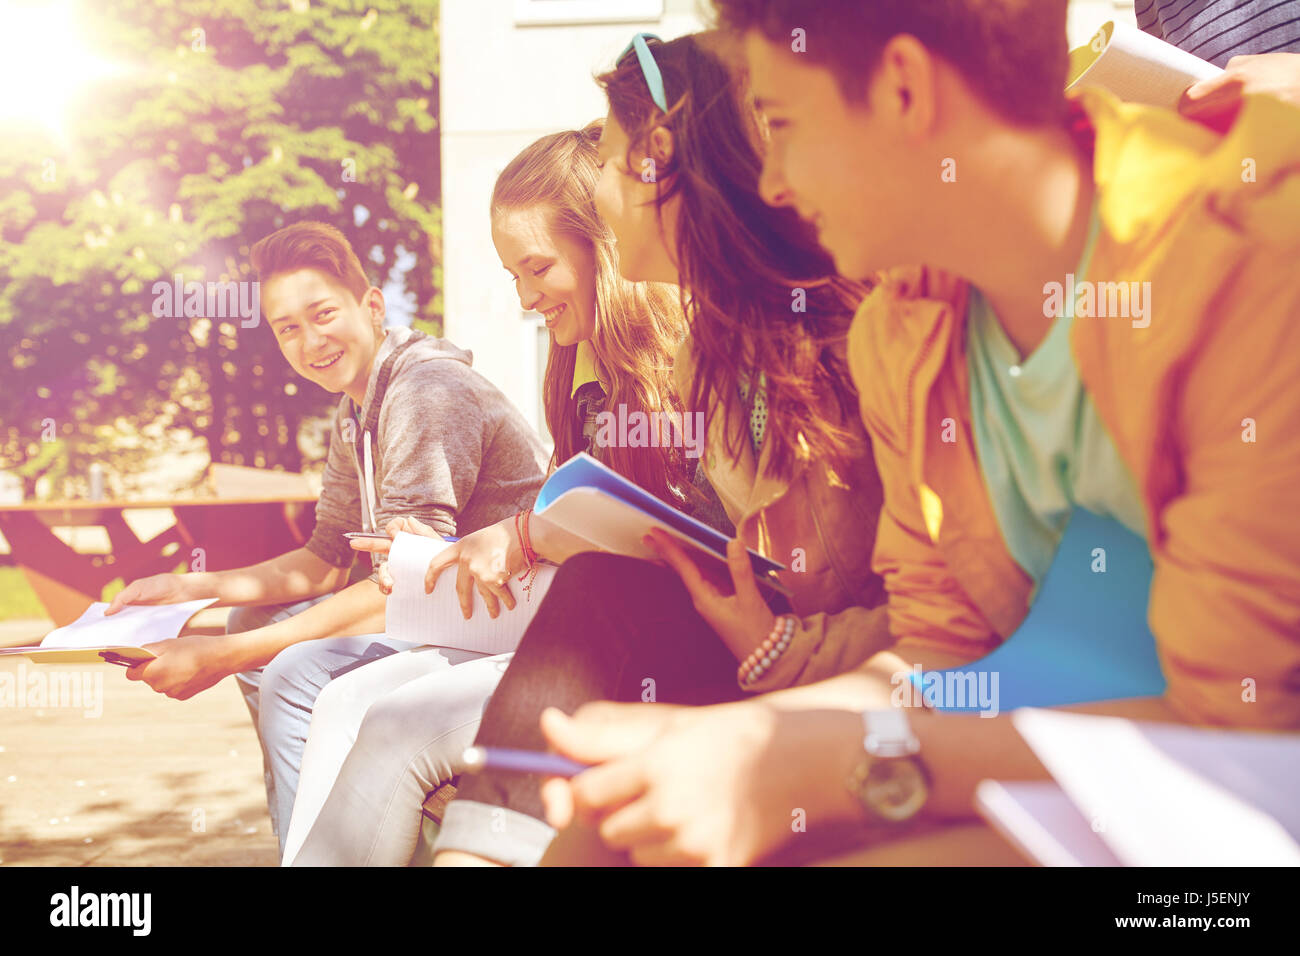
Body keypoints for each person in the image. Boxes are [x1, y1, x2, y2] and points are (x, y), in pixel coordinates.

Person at [528, 0, 1300, 867]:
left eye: (781, 123)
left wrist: (816, 759)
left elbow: (1230, 734)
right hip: (1087, 767)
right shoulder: (904, 331)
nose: (771, 179)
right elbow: (940, 653)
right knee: (609, 831)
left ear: (903, 88)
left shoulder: (1250, 258)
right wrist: (725, 740)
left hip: (1229, 816)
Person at [430, 32, 893, 867]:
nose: (597, 188)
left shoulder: (855, 336)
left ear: (663, 165)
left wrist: (778, 643)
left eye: (604, 160)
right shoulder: (705, 353)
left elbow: (935, 612)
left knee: (600, 618)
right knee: (603, 598)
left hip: (831, 665)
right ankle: (480, 848)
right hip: (754, 637)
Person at [282, 123, 719, 866]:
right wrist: (479, 551)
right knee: (344, 698)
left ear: (602, 247)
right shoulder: (576, 372)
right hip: (562, 629)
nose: (524, 297)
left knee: (396, 726)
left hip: (653, 650)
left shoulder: (690, 360)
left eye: (537, 268)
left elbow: (660, 538)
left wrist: (523, 536)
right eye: (512, 275)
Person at [114, 220, 549, 856]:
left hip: (501, 621)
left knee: (293, 670)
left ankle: (320, 850)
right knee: (252, 616)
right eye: (287, 327)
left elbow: (404, 582)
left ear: (371, 305)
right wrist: (191, 588)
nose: (309, 340)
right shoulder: (356, 411)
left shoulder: (427, 391)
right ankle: (318, 834)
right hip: (444, 615)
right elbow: (323, 560)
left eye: (322, 314)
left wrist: (227, 656)